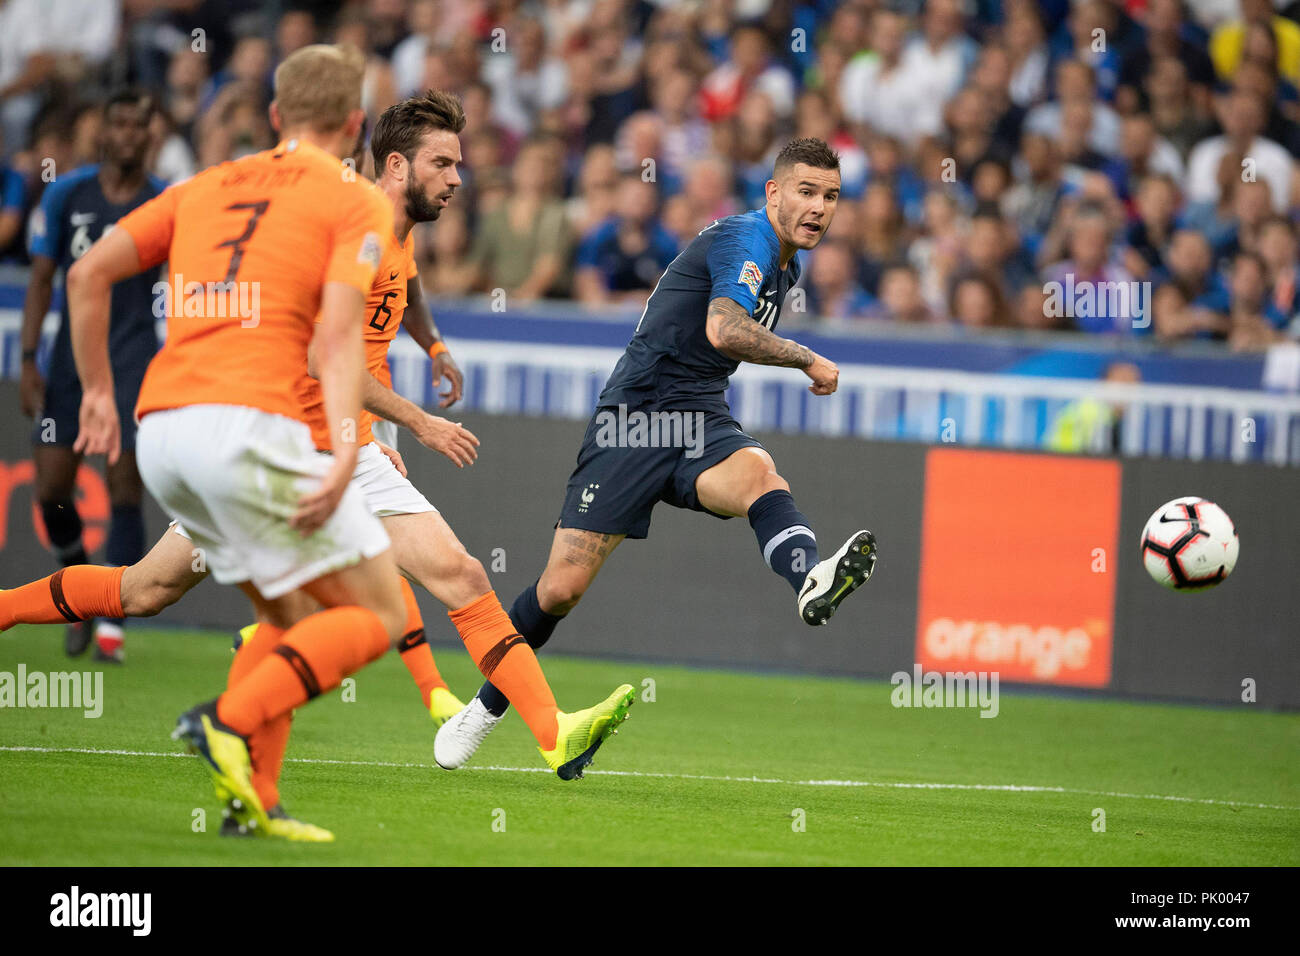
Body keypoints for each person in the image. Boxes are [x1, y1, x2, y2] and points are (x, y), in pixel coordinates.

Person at [64, 47, 633, 839]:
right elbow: (326, 346)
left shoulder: (299, 207)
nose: (458, 178)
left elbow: (402, 288)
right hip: (296, 432)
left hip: (210, 428)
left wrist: (431, 347)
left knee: (154, 591)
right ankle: (241, 728)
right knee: (382, 605)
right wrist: (405, 423)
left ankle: (255, 787)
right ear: (380, 151)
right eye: (444, 162)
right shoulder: (347, 213)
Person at [434, 138, 877, 769]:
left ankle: (810, 577)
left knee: (758, 478)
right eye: (806, 192)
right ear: (774, 192)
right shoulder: (745, 240)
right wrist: (805, 356)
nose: (819, 208)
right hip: (635, 422)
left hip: (697, 415)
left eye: (830, 197)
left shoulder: (785, 264)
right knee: (560, 590)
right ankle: (482, 711)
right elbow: (722, 327)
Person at [18, 90, 165, 663]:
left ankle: (111, 624)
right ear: (103, 131)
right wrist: (28, 358)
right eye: (119, 123)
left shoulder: (161, 203)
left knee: (125, 480)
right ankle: (77, 579)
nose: (128, 133)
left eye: (139, 124)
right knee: (52, 489)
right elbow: (40, 280)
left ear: (151, 134)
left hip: (134, 361)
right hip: (68, 365)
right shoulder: (65, 194)